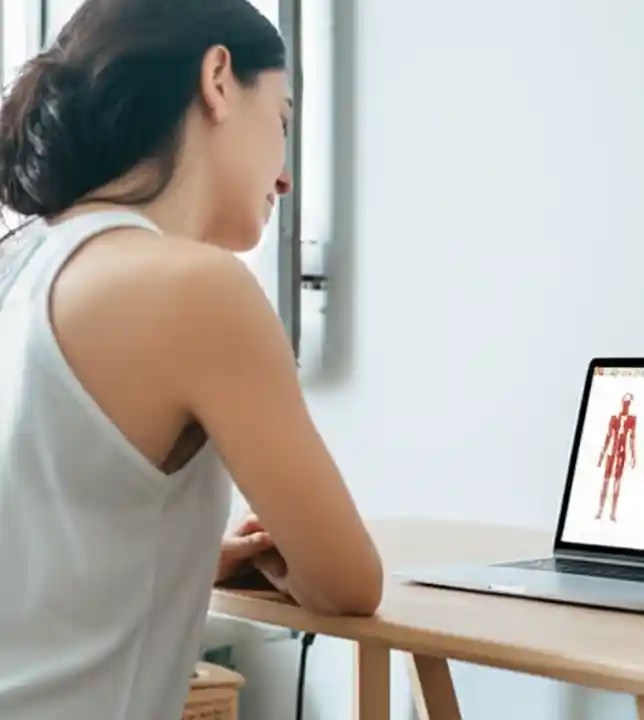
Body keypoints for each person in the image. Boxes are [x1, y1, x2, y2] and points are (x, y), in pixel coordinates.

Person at [0, 1, 383, 717]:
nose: (285, 178)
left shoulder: (17, 266)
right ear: (218, 79)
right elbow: (347, 583)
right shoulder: (193, 287)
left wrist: (195, 562)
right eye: (282, 122)